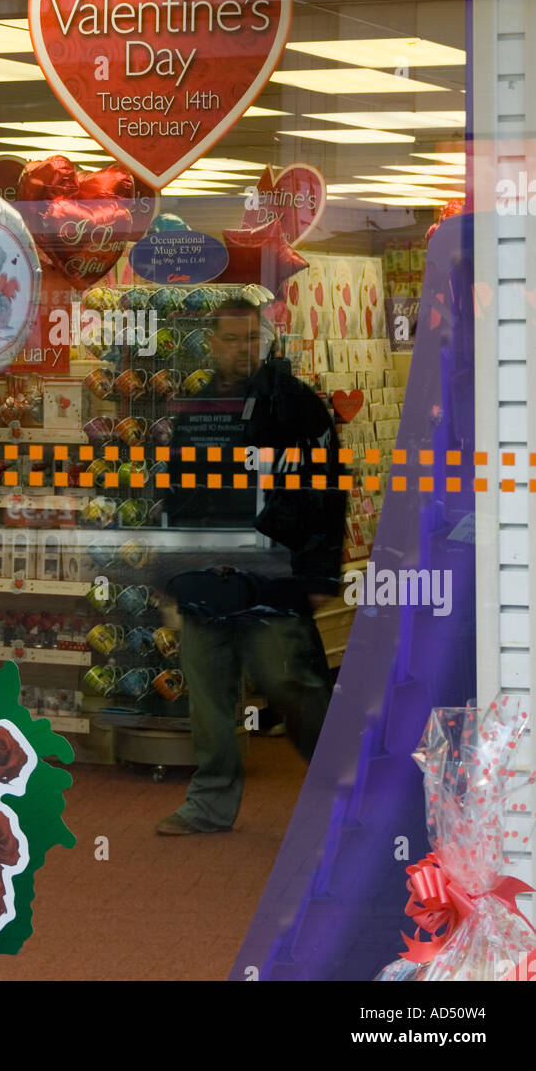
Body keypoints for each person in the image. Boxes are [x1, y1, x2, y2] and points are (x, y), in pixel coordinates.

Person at [155, 295, 346, 836]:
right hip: (206, 579)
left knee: (294, 690)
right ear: (212, 344)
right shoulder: (195, 410)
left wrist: (317, 574)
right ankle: (209, 804)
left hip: (273, 576)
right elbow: (178, 492)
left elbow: (327, 491)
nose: (242, 348)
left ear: (264, 340)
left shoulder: (297, 405)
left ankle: (344, 795)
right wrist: (171, 573)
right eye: (232, 339)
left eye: (251, 338)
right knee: (211, 699)